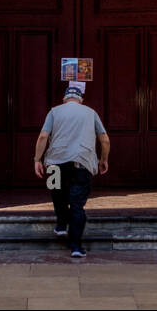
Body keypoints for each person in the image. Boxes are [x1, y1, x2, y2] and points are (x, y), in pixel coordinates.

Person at [33, 81, 110, 258]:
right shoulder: (91, 113)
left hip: (53, 165)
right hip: (81, 164)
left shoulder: (54, 111)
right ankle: (76, 246)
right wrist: (103, 159)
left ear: (64, 99)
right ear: (81, 100)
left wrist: (37, 159)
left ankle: (61, 225)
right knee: (77, 205)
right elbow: (105, 139)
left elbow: (43, 136)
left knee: (55, 192)